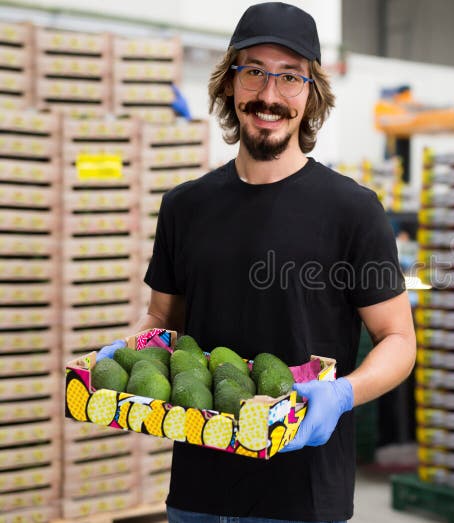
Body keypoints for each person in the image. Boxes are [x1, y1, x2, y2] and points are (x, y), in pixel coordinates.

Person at [102, 3, 416, 522]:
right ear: (230, 83)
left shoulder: (353, 210)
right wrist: (133, 350)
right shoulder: (185, 205)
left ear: (312, 92)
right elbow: (162, 320)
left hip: (302, 497)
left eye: (290, 77)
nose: (270, 96)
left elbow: (399, 340)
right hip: (197, 493)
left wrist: (342, 394)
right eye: (254, 72)